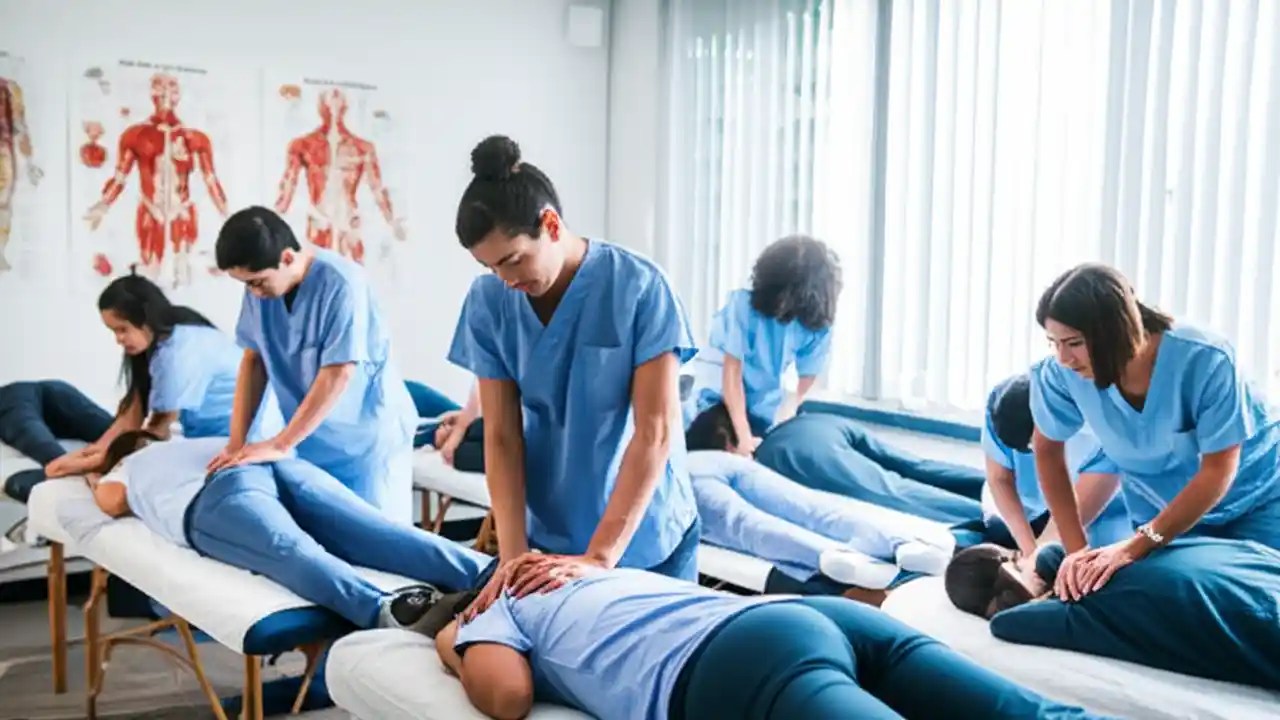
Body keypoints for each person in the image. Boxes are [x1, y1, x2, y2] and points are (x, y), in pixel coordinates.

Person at [448, 135, 700, 617]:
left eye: (513, 259)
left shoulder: (639, 287)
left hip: (644, 535)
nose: (505, 279)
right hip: (549, 536)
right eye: (488, 266)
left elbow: (656, 431)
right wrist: (514, 556)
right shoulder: (489, 302)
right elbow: (501, 437)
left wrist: (600, 557)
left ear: (550, 223)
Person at [424, 560, 1101, 720]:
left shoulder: (497, 613)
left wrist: (452, 640)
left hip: (738, 663)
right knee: (1035, 716)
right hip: (812, 615)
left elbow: (507, 699)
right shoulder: (582, 571)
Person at [1030, 263, 1280, 601]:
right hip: (1167, 515)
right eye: (1053, 343)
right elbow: (1047, 450)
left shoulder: (1206, 359)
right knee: (1164, 602)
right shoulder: (1061, 375)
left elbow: (1218, 469)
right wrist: (1075, 550)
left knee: (1259, 602)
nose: (1063, 358)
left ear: (1113, 332)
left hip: (1259, 499)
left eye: (1073, 343)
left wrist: (1135, 547)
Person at [87, 431, 486, 630]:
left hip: (214, 497)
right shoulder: (191, 439)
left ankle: (382, 608)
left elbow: (111, 503)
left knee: (288, 549)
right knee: (374, 531)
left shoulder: (129, 467)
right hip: (273, 462)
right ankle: (487, 570)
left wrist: (95, 476)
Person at [209, 206, 418, 523]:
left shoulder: (343, 285)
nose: (253, 292)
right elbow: (254, 361)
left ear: (288, 258)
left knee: (380, 541)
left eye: (258, 282)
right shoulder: (261, 290)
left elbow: (338, 372)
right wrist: (236, 446)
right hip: (313, 438)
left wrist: (281, 443)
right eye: (246, 284)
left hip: (366, 441)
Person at [1, 273, 262, 502]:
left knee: (109, 474)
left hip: (230, 444)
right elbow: (132, 412)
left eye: (122, 330)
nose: (118, 340)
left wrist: (87, 465)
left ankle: (73, 473)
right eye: (114, 331)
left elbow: (156, 433)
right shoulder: (164, 339)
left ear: (144, 317)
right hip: (212, 439)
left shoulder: (179, 350)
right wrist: (100, 449)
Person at [944, 539, 1280, 691]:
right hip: (1243, 588)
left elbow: (1052, 555)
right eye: (1019, 559)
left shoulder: (1086, 578)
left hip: (1235, 585)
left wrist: (1041, 571)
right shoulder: (1082, 611)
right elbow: (1006, 623)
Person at [688, 448, 954, 589]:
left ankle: (827, 554)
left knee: (748, 526)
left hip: (686, 478)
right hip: (720, 460)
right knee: (811, 509)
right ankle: (904, 545)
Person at [688, 403, 987, 528]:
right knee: (916, 468)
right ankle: (1010, 494)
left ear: (725, 448)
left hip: (794, 450)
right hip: (814, 424)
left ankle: (1003, 522)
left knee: (892, 493)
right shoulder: (768, 430)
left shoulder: (762, 461)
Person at [683, 235, 842, 454]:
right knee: (715, 437)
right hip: (719, 395)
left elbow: (798, 392)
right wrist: (743, 437)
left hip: (764, 404)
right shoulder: (743, 307)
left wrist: (777, 430)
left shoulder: (818, 326)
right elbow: (732, 376)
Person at [982, 373, 1130, 556]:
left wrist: (1038, 557)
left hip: (1100, 505)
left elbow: (1073, 514)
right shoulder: (1000, 403)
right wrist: (1028, 550)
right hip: (1028, 503)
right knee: (999, 530)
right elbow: (999, 478)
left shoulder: (1108, 427)